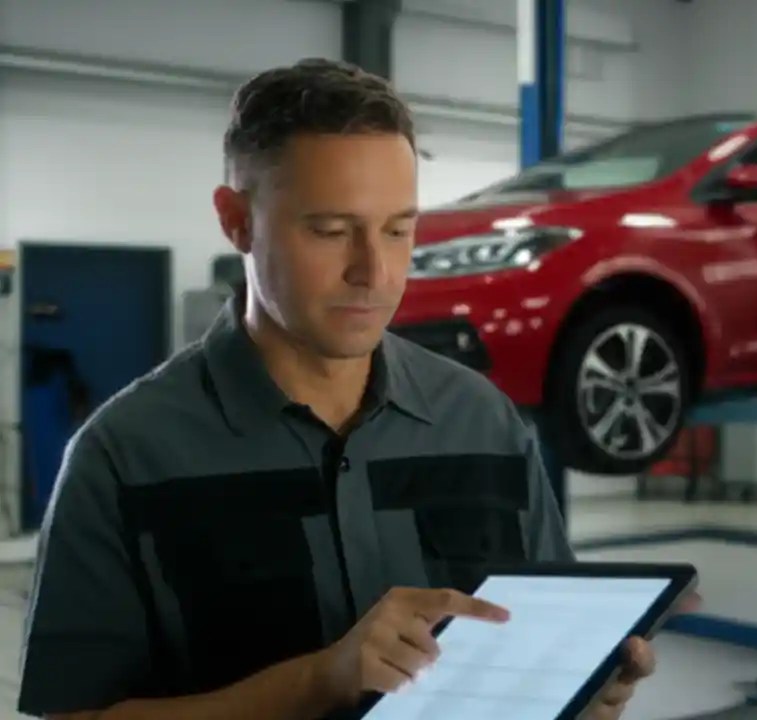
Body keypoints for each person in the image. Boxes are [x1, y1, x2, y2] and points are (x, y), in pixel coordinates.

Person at [17, 58, 660, 720]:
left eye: (398, 229)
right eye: (329, 230)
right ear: (236, 220)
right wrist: (316, 682)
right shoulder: (126, 455)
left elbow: (531, 659)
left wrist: (579, 693)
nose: (374, 271)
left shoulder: (481, 420)